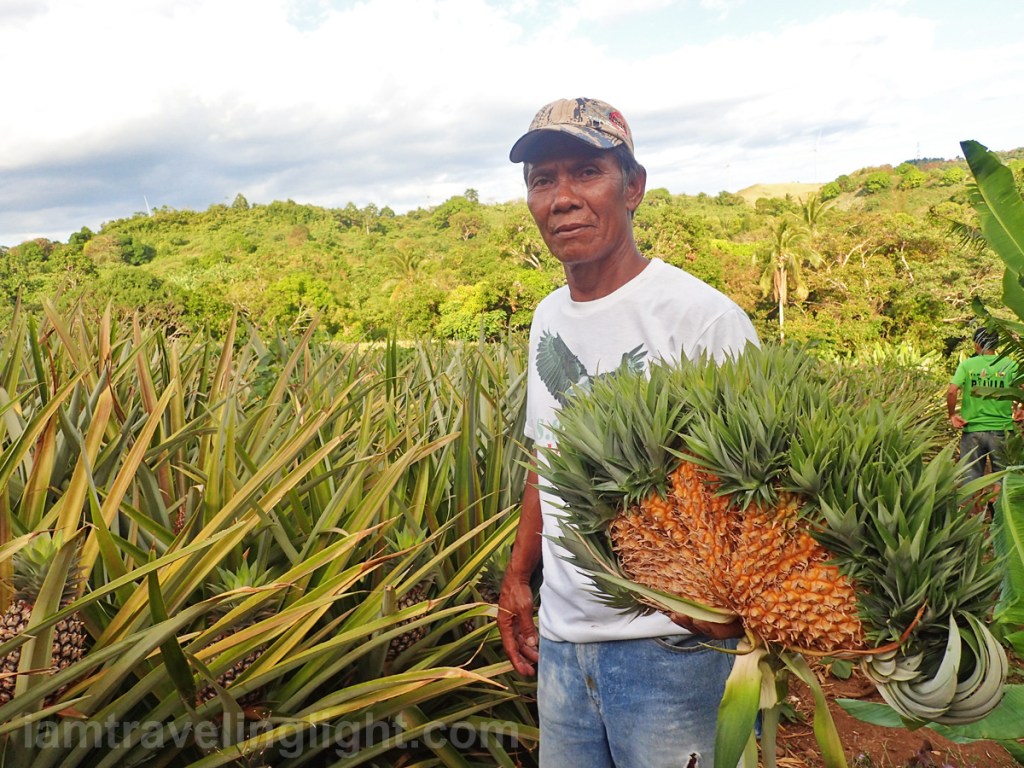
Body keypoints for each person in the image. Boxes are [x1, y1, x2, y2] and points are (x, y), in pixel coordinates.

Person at [496, 97, 760, 768]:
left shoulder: (702, 319)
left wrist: (736, 616)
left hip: (672, 648)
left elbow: (764, 484)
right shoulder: (548, 317)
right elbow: (544, 456)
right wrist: (519, 576)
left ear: (633, 186)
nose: (562, 198)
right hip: (561, 642)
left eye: (586, 172)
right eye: (542, 179)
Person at [947, 326, 1022, 508]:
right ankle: (996, 513)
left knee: (970, 479)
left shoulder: (967, 365)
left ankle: (974, 522)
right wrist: (1022, 409)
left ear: (976, 343)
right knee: (1003, 476)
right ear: (996, 343)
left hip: (973, 430)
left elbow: (952, 391)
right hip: (1002, 430)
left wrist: (952, 415)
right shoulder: (1010, 365)